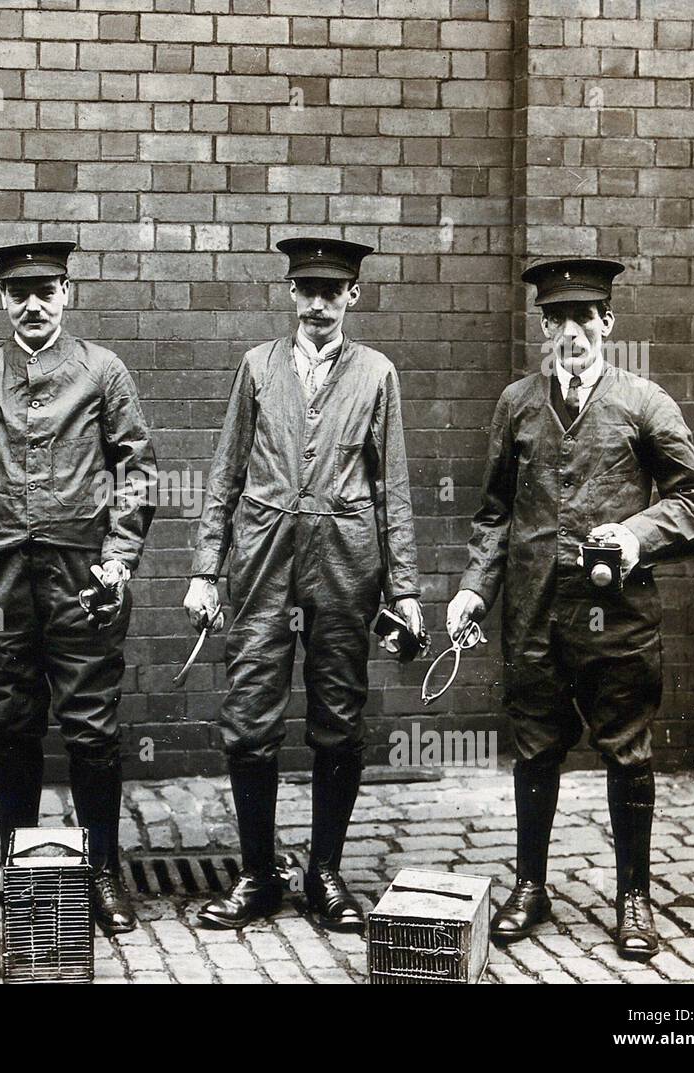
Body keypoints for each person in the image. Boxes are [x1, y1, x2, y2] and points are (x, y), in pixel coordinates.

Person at [447, 257, 694, 960]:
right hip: (534, 617)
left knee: (627, 752)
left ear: (609, 322)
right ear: (544, 326)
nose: (571, 331)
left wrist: (635, 534)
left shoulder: (642, 402)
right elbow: (493, 512)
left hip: (620, 622)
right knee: (536, 749)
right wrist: (475, 588)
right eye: (557, 318)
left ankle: (634, 896)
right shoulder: (517, 403)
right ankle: (531, 886)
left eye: (584, 317)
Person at [184, 237, 423, 931]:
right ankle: (258, 873)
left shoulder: (377, 374)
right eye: (306, 289)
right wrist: (206, 567)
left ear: (354, 295)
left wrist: (403, 589)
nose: (318, 303)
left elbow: (395, 488)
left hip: (346, 563)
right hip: (261, 561)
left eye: (333, 290)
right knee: (250, 710)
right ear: (290, 293)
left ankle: (324, 871)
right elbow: (226, 471)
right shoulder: (257, 367)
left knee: (338, 716)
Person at [0, 241, 157, 935]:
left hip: (82, 576)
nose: (33, 304)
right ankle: (15, 860)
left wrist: (119, 552)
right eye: (18, 291)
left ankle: (102, 868)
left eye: (46, 290)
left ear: (67, 293)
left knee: (90, 724)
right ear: (2, 298)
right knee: (11, 718)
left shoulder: (102, 372)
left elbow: (137, 467)